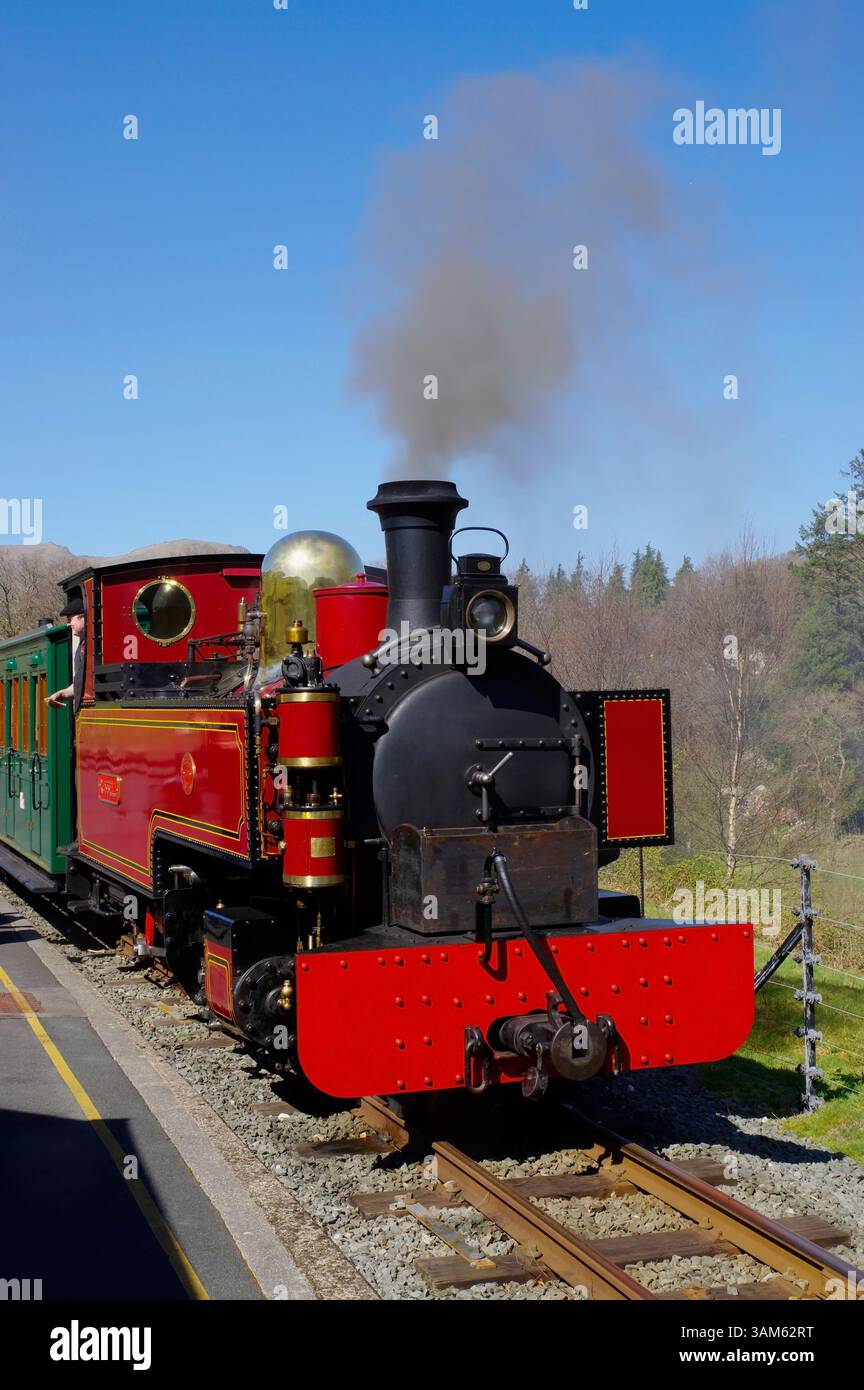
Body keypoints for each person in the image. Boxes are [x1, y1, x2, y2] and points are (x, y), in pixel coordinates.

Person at [47, 596, 86, 713]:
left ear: (83, 618)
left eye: (70, 619)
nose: (68, 624)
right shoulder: (81, 646)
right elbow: (79, 684)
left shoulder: (94, 645)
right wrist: (61, 694)